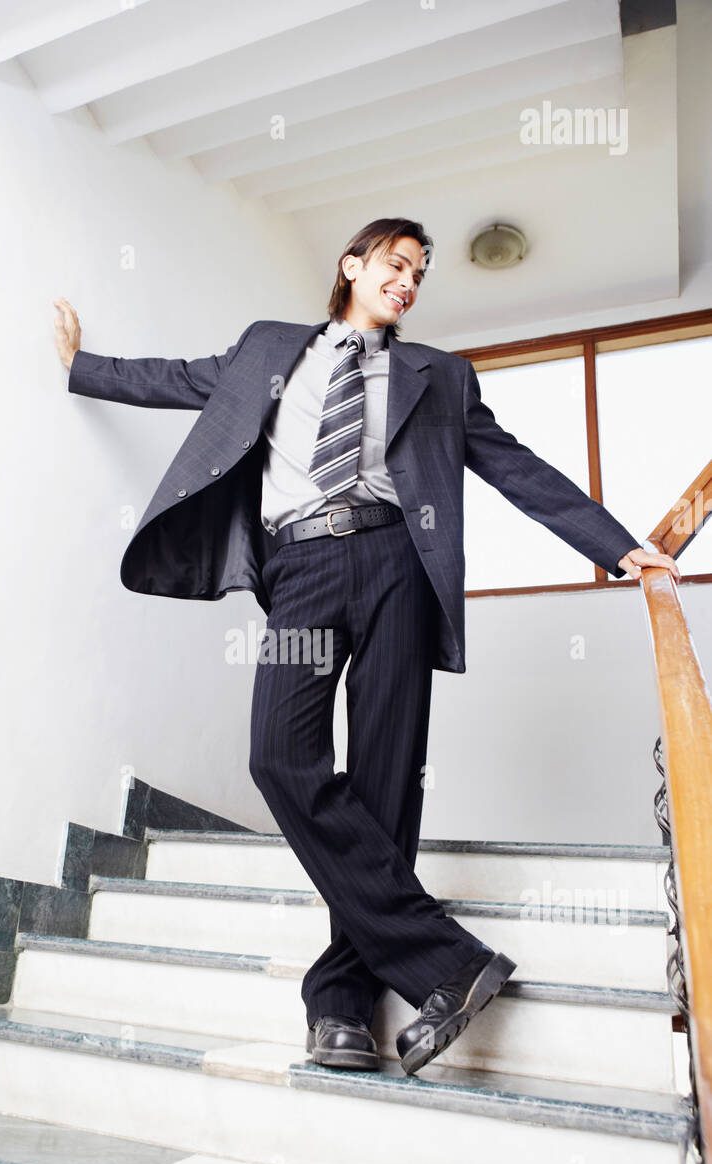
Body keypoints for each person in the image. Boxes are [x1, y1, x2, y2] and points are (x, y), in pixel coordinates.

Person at [53, 217, 680, 1078]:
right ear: (351, 265)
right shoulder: (269, 347)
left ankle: (342, 1005)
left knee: (385, 790)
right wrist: (81, 367)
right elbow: (176, 379)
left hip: (396, 564)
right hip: (302, 565)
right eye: (396, 264)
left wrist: (615, 543)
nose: (410, 282)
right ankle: (449, 964)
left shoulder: (440, 377)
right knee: (279, 755)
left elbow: (517, 466)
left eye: (420, 274)